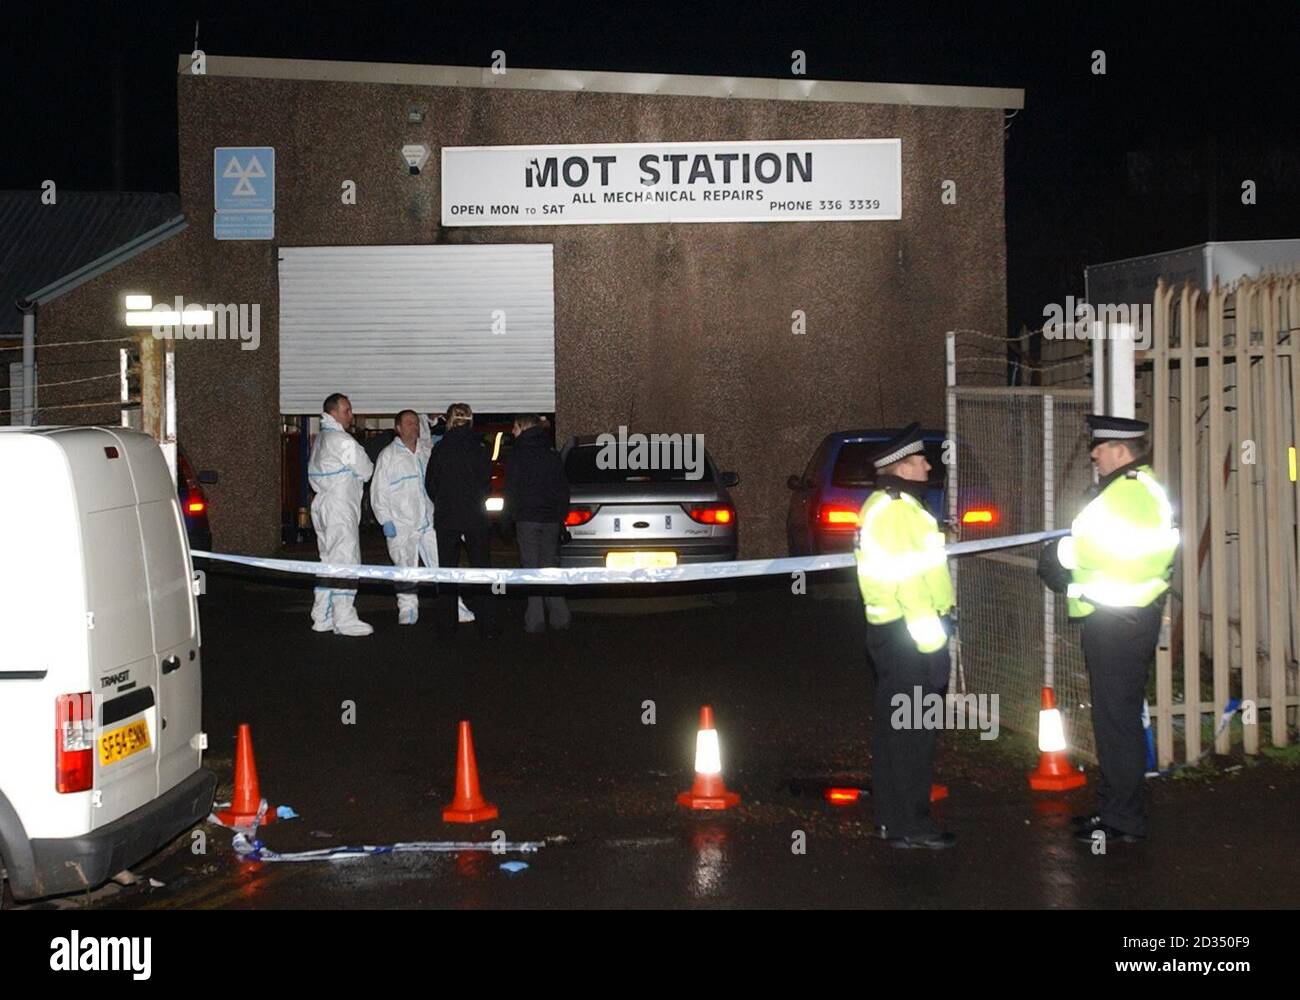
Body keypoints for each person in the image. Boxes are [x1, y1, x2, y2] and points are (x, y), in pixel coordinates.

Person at [1038, 415, 1178, 845]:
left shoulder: (1124, 495)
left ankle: (1122, 819)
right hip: (1126, 619)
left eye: (1099, 448)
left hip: (1118, 622)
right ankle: (1116, 809)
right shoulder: (1141, 488)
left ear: (1119, 450)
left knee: (1116, 722)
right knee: (1117, 719)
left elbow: (1093, 548)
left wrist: (1056, 557)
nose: (1094, 455)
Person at [854, 423, 956, 849]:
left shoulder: (886, 505)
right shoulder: (898, 511)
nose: (929, 465)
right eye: (920, 460)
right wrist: (934, 648)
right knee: (913, 733)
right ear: (900, 467)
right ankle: (911, 825)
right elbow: (912, 586)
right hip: (910, 635)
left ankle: (891, 820)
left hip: (892, 634)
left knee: (895, 730)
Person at [369, 410, 475, 626]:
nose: (414, 427)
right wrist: (385, 519)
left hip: (429, 522)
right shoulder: (388, 456)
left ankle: (455, 608)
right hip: (401, 525)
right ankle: (407, 608)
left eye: (416, 423)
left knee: (441, 566)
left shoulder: (428, 451)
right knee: (405, 569)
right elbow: (378, 490)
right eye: (409, 423)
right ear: (398, 427)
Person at [425, 402, 499, 638]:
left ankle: (447, 626)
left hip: (447, 516)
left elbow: (430, 484)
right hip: (475, 515)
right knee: (481, 569)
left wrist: (443, 500)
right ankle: (486, 624)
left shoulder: (440, 449)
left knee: (447, 571)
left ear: (448, 421)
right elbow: (487, 482)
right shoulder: (480, 449)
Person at [308, 393, 375, 636]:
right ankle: (344, 618)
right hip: (339, 507)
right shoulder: (341, 440)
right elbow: (366, 468)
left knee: (328, 562)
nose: (351, 415)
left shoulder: (322, 439)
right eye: (346, 410)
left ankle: (322, 615)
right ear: (333, 412)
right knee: (346, 561)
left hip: (324, 506)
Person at [502, 413, 571, 634]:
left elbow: (511, 492)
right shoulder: (551, 454)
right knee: (549, 567)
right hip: (550, 519)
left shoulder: (517, 455)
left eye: (514, 427)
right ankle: (560, 617)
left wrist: (507, 520)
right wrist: (560, 517)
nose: (512, 432)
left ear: (523, 427)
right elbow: (562, 489)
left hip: (527, 519)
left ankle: (535, 621)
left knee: (530, 568)